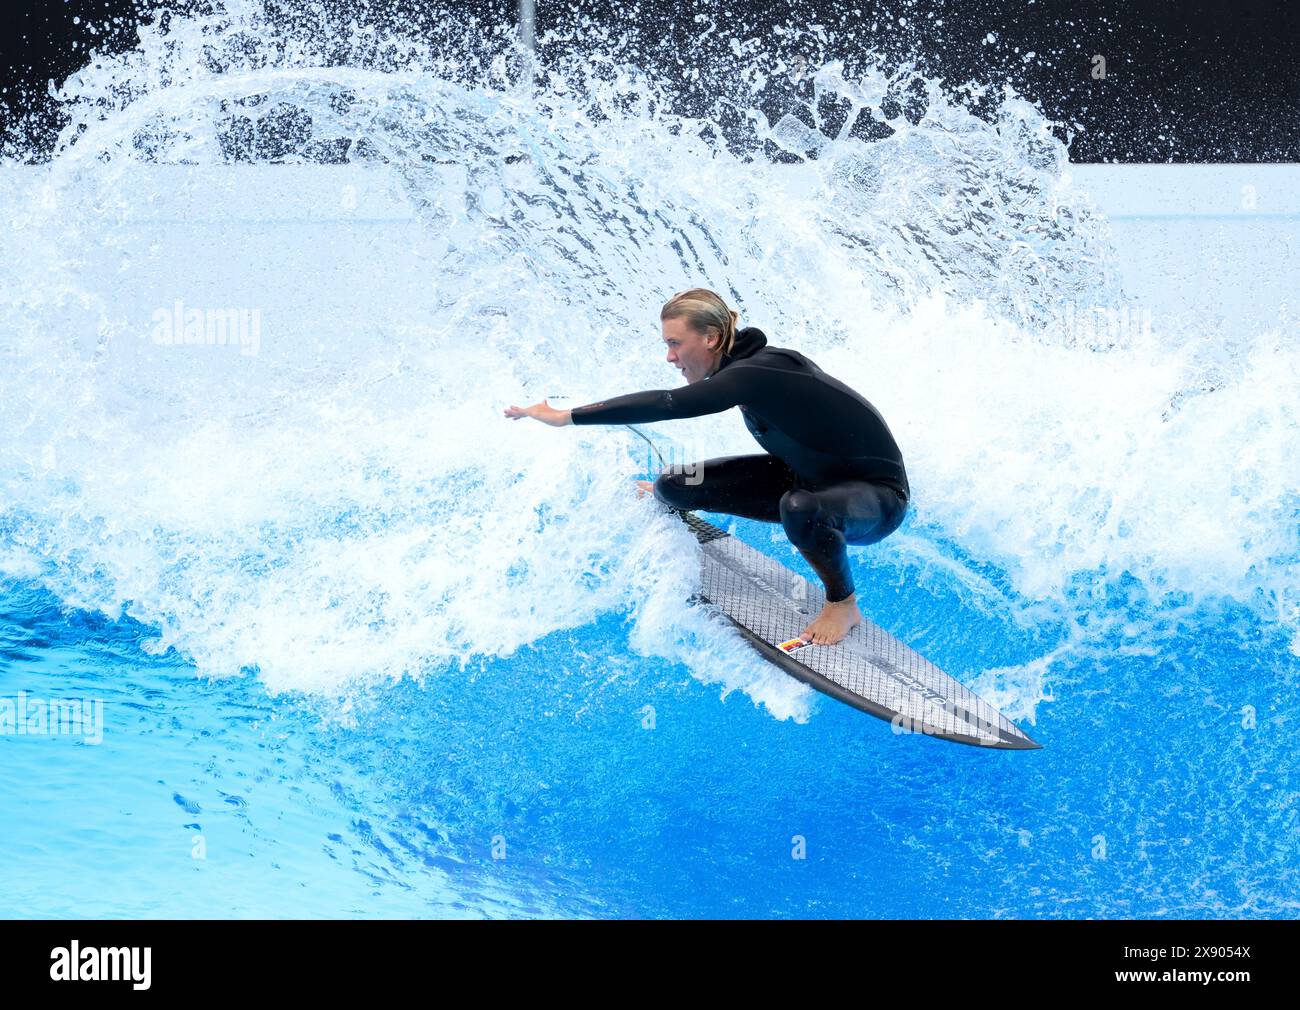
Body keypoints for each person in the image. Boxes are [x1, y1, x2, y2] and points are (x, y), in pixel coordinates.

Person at [503, 288, 909, 645]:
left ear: (711, 337)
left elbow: (669, 403)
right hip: (807, 479)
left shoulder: (761, 371)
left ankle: (843, 603)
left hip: (873, 498)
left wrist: (564, 416)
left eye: (676, 343)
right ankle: (667, 491)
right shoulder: (743, 370)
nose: (670, 356)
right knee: (676, 484)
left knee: (800, 508)